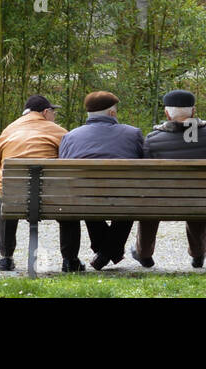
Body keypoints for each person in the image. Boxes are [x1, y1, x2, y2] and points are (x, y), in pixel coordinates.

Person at [130, 89, 206, 269]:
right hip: (201, 201)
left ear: (166, 113)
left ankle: (144, 253)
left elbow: (146, 178)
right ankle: (198, 252)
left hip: (161, 201)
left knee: (150, 200)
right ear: (193, 112)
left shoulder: (152, 139)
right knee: (198, 194)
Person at [58, 90, 145, 271]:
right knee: (129, 197)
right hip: (123, 198)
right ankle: (107, 252)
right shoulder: (132, 133)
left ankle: (105, 251)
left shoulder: (70, 137)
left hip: (82, 199)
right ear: (112, 113)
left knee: (87, 192)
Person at [0, 95, 66, 272]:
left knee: (4, 193)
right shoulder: (59, 131)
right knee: (67, 200)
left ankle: (6, 257)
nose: (54, 117)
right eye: (53, 112)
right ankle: (70, 259)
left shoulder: (8, 131)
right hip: (52, 198)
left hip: (15, 198)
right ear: (46, 112)